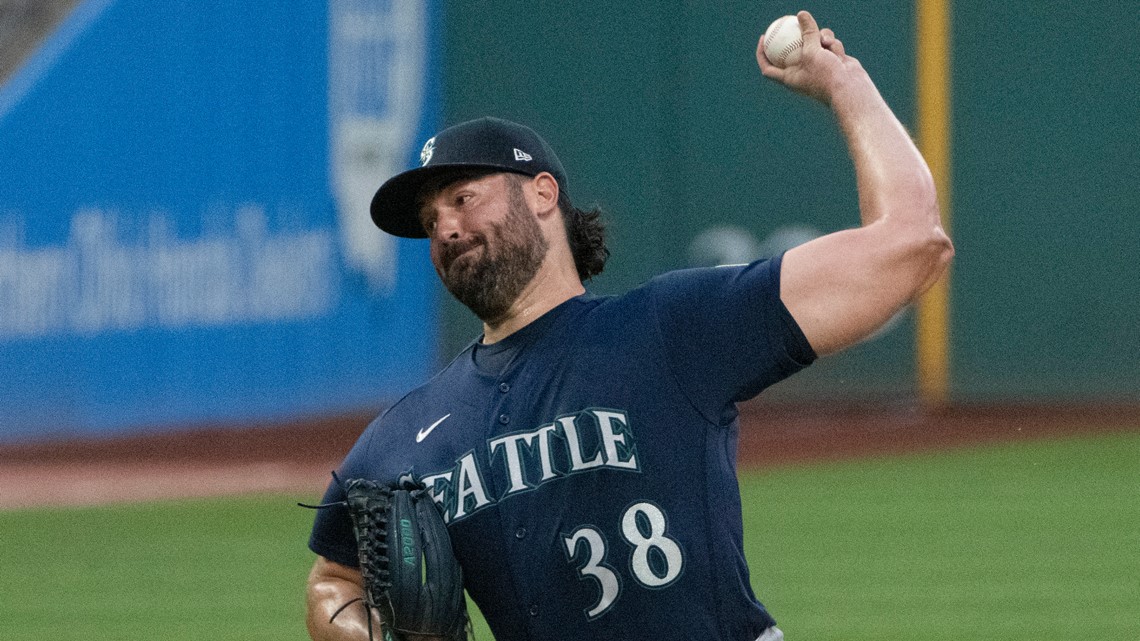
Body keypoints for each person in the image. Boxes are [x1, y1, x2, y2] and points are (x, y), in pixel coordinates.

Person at [305, 11, 953, 641]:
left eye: (463, 197)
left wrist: (846, 83)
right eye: (429, 220)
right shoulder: (407, 434)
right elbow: (332, 581)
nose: (444, 226)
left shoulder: (671, 330)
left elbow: (913, 244)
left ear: (541, 193)